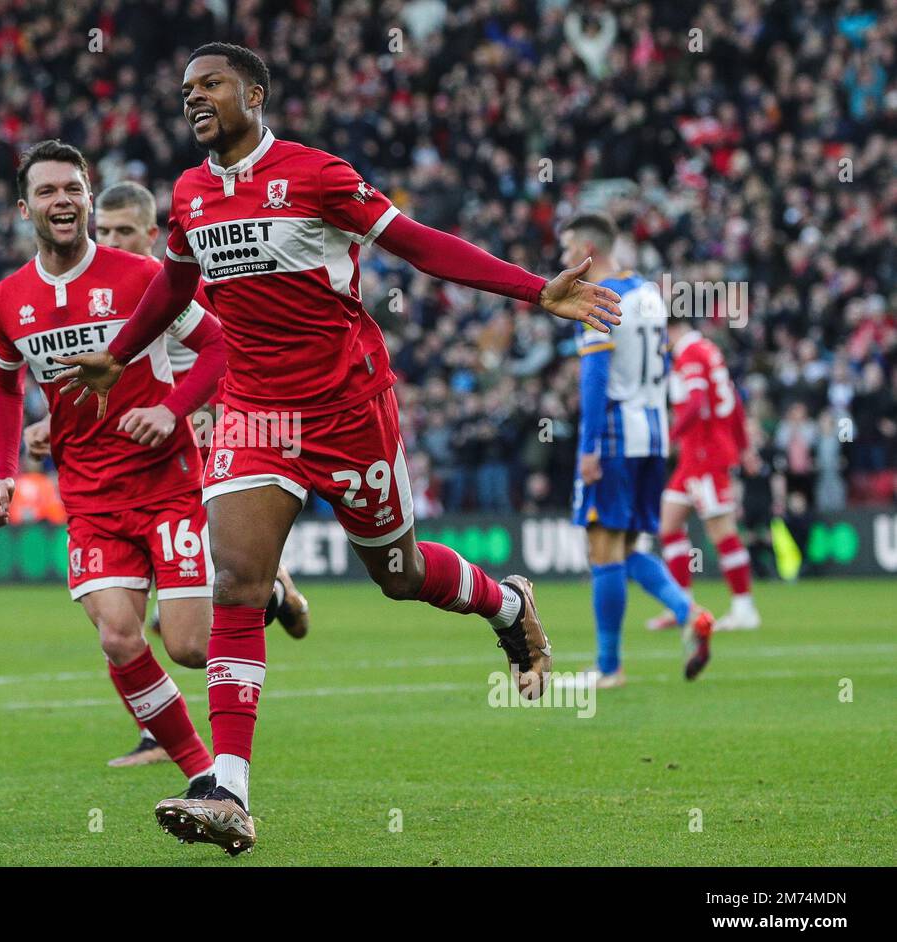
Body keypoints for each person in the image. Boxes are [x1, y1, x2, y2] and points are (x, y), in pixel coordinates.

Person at [54, 43, 623, 855]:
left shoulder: (318, 175)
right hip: (254, 414)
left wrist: (534, 288)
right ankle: (230, 790)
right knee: (239, 584)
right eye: (185, 89)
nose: (194, 98)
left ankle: (508, 604)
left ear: (254, 92)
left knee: (398, 574)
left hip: (348, 408)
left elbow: (419, 244)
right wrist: (121, 348)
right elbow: (174, 286)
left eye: (210, 84)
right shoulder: (188, 195)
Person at [22, 178, 311, 771]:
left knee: (186, 630)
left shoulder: (182, 283)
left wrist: (200, 414)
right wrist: (58, 425)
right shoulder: (99, 292)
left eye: (125, 231)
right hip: (138, 456)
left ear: (154, 235)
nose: (112, 240)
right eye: (104, 230)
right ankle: (163, 730)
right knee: (125, 623)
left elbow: (233, 352)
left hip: (205, 440)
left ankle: (270, 590)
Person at [0, 140, 227, 790]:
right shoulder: (8, 299)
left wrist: (172, 411)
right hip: (89, 498)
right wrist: (4, 471)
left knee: (190, 648)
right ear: (24, 206)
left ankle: (260, 588)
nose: (62, 201)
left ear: (89, 196)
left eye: (72, 188)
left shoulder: (142, 276)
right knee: (118, 636)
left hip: (167, 482)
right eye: (48, 191)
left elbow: (216, 346)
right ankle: (204, 777)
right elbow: (4, 386)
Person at [559, 214, 714, 689]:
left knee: (602, 547)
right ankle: (690, 612)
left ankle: (609, 668)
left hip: (613, 435)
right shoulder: (649, 292)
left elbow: (596, 376)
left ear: (588, 247)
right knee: (625, 548)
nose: (563, 261)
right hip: (653, 433)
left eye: (568, 250)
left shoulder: (598, 297)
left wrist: (587, 448)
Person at [650, 320, 761, 631]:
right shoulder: (710, 350)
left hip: (704, 453)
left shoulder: (690, 354)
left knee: (721, 530)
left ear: (672, 329)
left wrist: (670, 435)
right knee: (669, 523)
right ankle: (681, 605)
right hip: (695, 456)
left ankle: (744, 609)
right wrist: (744, 446)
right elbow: (735, 400)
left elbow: (697, 402)